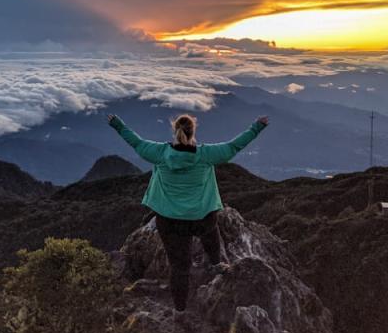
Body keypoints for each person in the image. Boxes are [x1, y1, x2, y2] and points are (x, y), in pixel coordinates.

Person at [107, 111, 269, 316]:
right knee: (211, 231)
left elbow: (135, 142)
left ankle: (180, 310)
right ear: (193, 131)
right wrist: (257, 126)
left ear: (175, 130)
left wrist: (117, 124)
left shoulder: (159, 153)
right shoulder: (205, 155)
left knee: (179, 267)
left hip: (169, 221)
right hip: (201, 216)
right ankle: (217, 263)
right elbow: (234, 146)